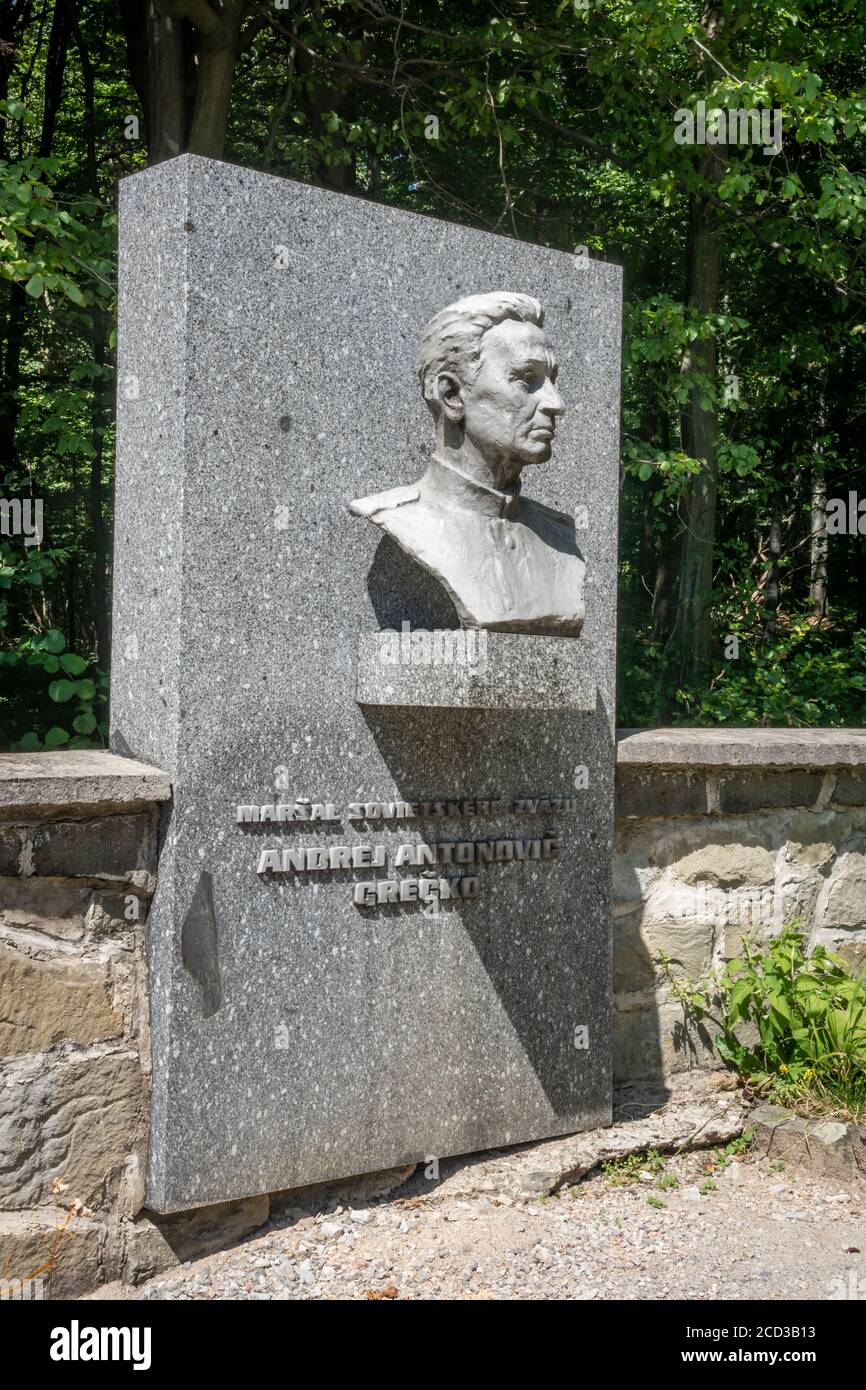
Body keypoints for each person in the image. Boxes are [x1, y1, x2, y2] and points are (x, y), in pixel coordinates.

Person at [349, 291, 585, 635]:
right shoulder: (402, 519)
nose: (556, 403)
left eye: (552, 380)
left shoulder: (559, 537)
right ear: (452, 396)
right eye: (525, 379)